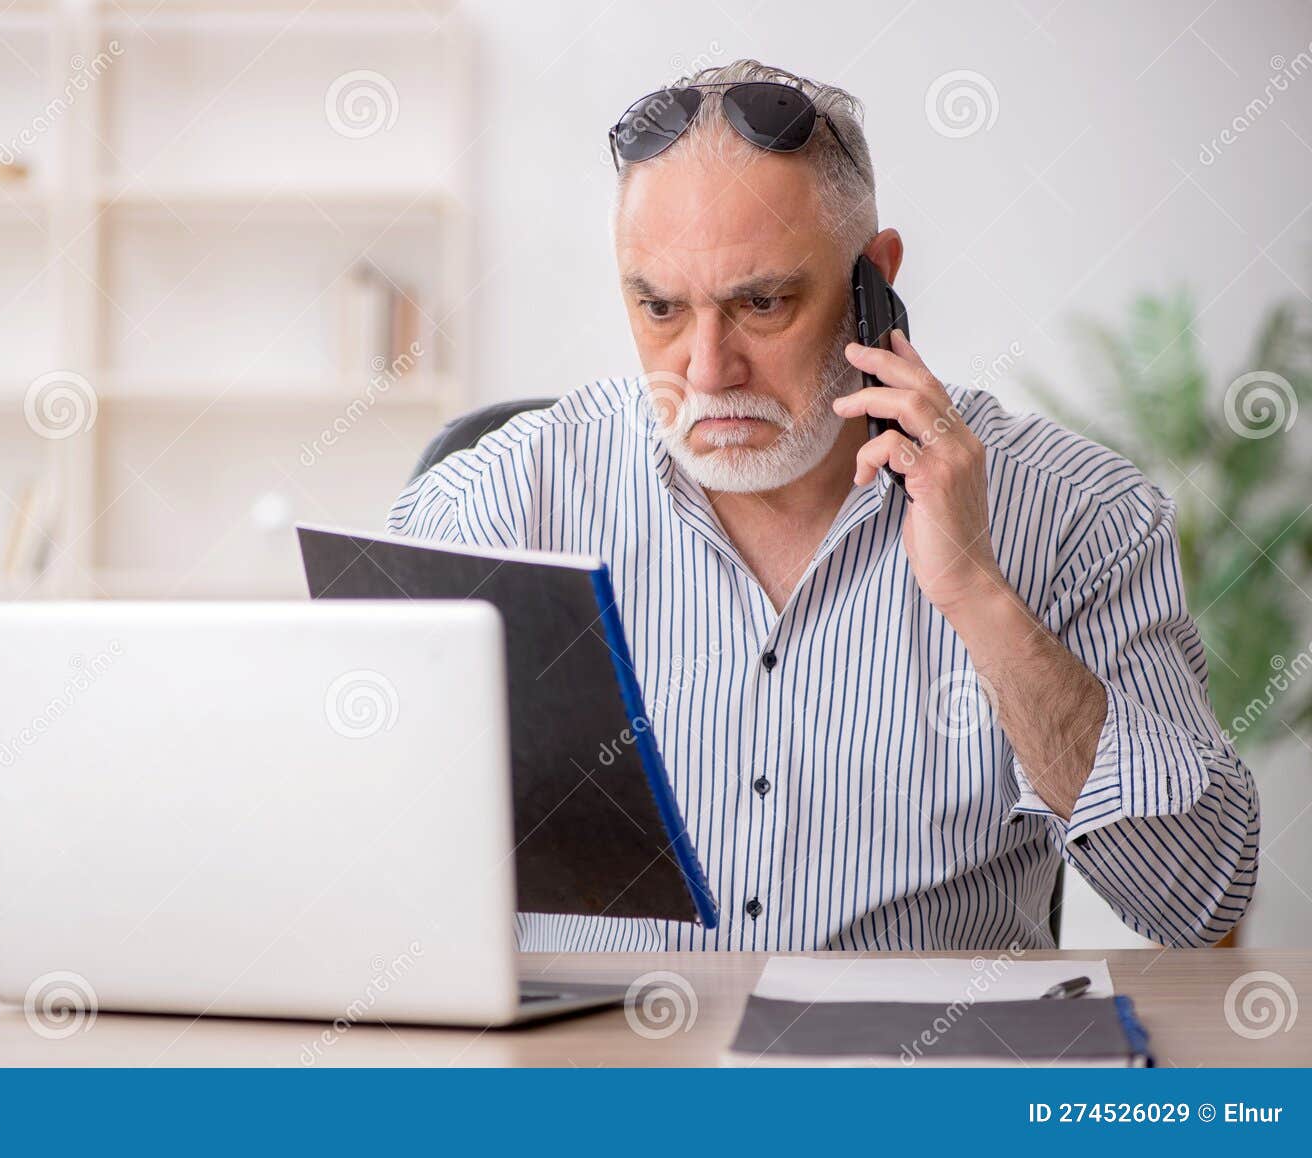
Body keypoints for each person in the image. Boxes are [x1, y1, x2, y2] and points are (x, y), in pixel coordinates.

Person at [387, 59, 1258, 951]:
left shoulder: (1080, 515)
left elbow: (1196, 899)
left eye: (761, 303)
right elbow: (359, 842)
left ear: (874, 283)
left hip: (916, 1076)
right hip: (598, 1078)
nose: (706, 371)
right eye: (659, 308)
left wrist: (979, 599)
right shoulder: (495, 501)